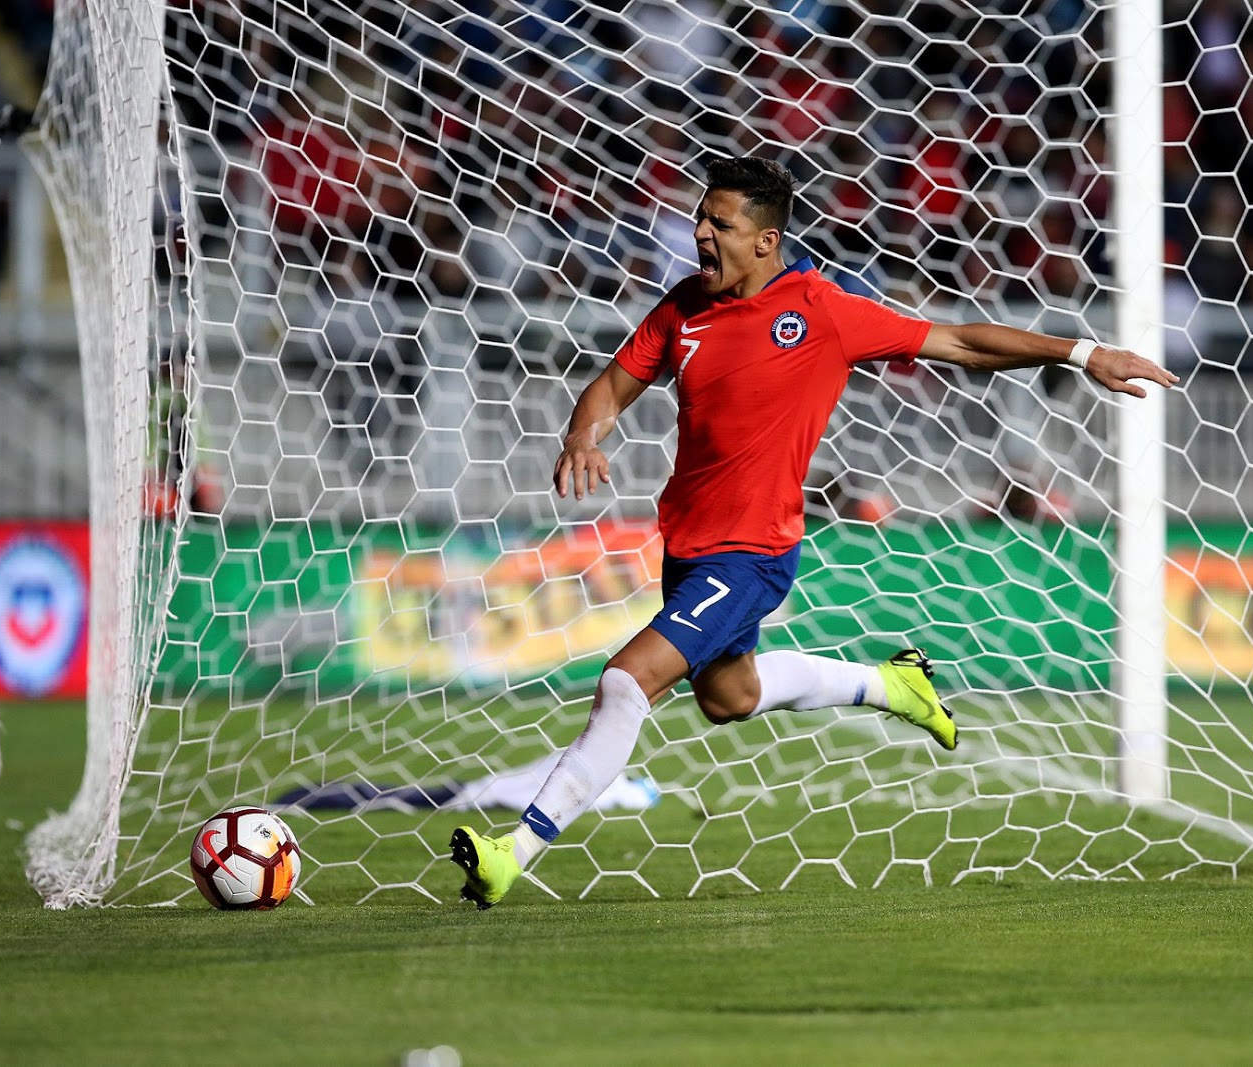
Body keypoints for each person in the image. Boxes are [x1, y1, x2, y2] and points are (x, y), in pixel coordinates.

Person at [449, 157, 1178, 908]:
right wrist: (584, 433)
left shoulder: (823, 311)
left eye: (718, 223)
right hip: (690, 545)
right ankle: (890, 684)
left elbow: (959, 342)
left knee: (625, 680)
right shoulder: (683, 309)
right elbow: (610, 384)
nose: (699, 232)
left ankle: (516, 851)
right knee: (729, 696)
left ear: (765, 241)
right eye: (701, 218)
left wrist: (1083, 353)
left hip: (754, 552)